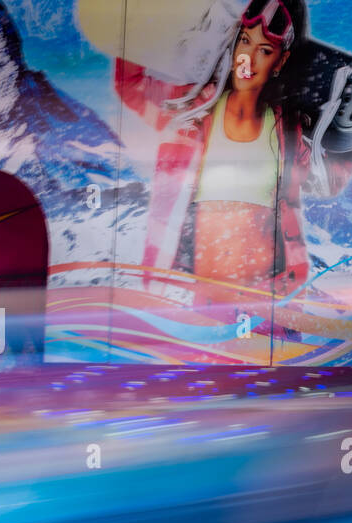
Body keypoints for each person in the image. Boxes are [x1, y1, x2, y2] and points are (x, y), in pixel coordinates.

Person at [115, 0, 319, 309]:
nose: (247, 59)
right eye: (245, 42)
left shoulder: (288, 128)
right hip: (200, 306)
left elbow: (323, 181)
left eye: (264, 51)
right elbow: (128, 84)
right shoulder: (193, 109)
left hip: (272, 306)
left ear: (280, 61)